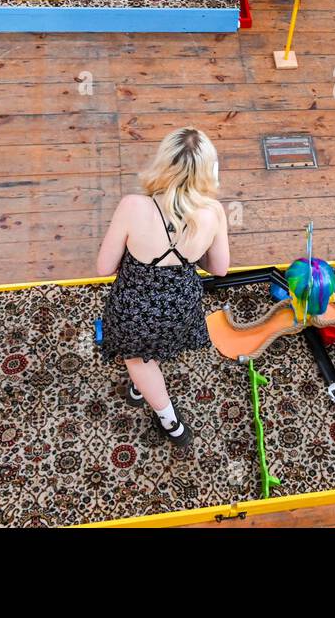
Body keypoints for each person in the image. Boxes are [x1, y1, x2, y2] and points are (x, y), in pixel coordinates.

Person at [96, 128, 230, 446]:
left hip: (134, 312)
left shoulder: (132, 206)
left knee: (138, 359)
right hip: (182, 307)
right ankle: (145, 381)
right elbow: (220, 268)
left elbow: (103, 268)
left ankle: (171, 423)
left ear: (163, 162)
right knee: (152, 349)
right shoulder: (213, 213)